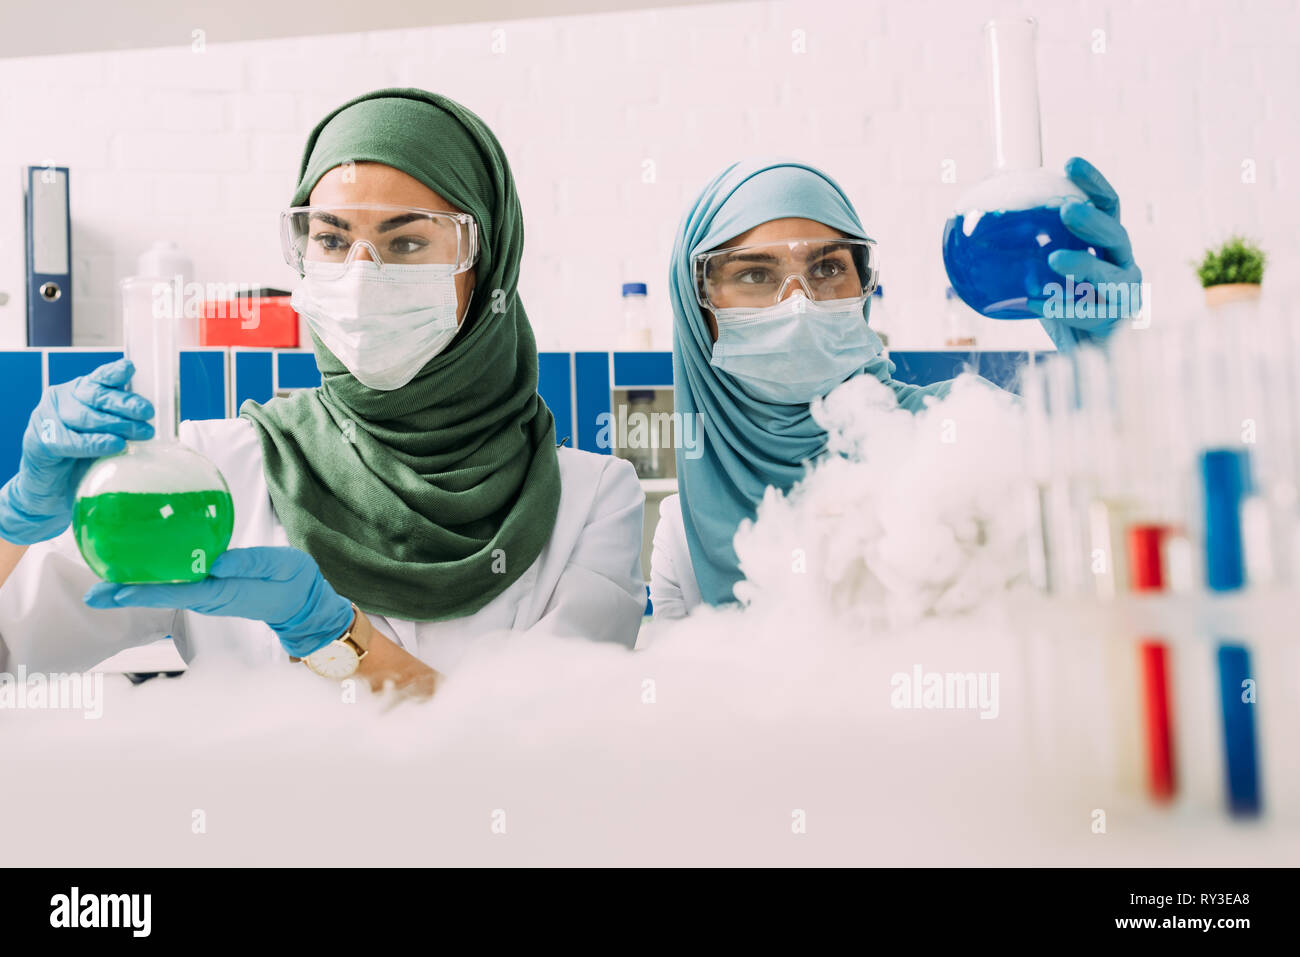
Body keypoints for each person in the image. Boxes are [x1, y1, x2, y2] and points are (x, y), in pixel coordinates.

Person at [0, 88, 647, 695]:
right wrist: (18, 519)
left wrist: (333, 636)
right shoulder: (211, 471)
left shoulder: (590, 499)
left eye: (408, 240)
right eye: (333, 239)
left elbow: (550, 747)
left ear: (488, 263)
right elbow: (10, 649)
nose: (360, 277)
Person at [650, 157, 1141, 617]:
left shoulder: (967, 430)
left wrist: (1110, 382)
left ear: (863, 285)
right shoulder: (683, 537)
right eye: (755, 274)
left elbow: (1128, 551)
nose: (798, 303)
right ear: (697, 310)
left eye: (827, 268)